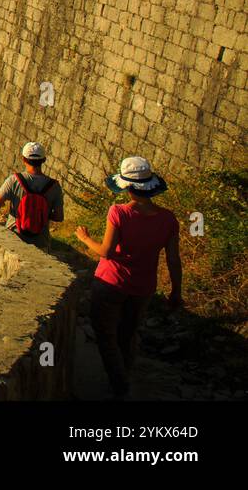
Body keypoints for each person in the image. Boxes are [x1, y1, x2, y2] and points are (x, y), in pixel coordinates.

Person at [75, 156, 182, 400]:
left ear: (127, 187)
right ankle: (125, 375)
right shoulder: (168, 219)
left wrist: (84, 238)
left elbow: (106, 252)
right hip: (143, 287)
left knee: (105, 333)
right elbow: (173, 260)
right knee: (129, 332)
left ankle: (120, 383)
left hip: (111, 283)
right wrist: (176, 291)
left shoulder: (119, 213)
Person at [0, 141, 63, 247]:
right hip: (41, 241)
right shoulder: (54, 186)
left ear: (23, 159)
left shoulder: (14, 180)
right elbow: (59, 216)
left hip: (15, 236)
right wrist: (41, 212)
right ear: (44, 160)